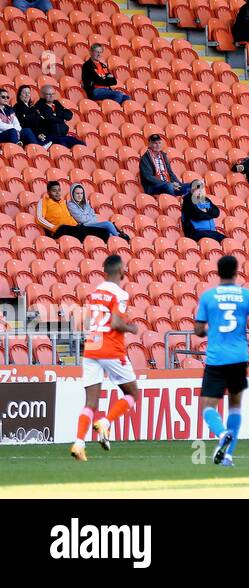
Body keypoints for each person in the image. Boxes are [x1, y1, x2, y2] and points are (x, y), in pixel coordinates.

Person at [194, 254, 249, 467]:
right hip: (238, 357)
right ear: (237, 272)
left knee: (208, 406)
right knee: (235, 406)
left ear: (218, 272)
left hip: (216, 358)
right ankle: (228, 456)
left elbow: (198, 330)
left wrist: (210, 329)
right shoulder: (247, 295)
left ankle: (221, 433)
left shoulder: (208, 297)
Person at [69, 255, 140, 461]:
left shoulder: (96, 292)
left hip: (91, 349)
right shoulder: (121, 294)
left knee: (90, 402)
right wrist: (132, 328)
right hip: (111, 349)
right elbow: (117, 323)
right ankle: (106, 422)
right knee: (133, 393)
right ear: (120, 271)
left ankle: (79, 444)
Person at [36, 181, 110, 242]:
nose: (57, 193)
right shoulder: (43, 201)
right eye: (54, 191)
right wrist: (54, 228)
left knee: (104, 232)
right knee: (71, 229)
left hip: (75, 227)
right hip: (60, 229)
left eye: (59, 190)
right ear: (48, 192)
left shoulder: (63, 202)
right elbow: (39, 219)